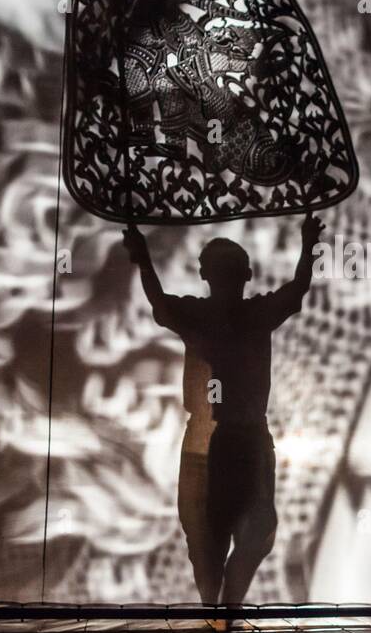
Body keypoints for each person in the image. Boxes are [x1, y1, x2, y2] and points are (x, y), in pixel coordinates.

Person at [122, 213, 323, 606]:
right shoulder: (242, 314)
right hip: (225, 439)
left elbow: (159, 301)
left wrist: (143, 257)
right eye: (221, 270)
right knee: (212, 539)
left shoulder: (222, 315)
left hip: (229, 438)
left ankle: (220, 610)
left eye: (225, 270)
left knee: (225, 537)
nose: (225, 278)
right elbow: (297, 289)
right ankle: (218, 611)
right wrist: (306, 246)